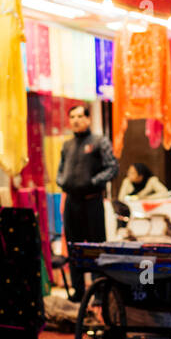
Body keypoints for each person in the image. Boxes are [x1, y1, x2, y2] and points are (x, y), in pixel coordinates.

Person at [57, 104, 118, 246]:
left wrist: (93, 182)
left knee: (96, 247)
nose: (75, 120)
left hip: (92, 201)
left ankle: (95, 269)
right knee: (73, 245)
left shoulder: (99, 141)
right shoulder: (67, 145)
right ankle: (75, 269)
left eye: (79, 116)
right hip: (71, 202)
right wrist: (62, 181)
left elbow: (113, 168)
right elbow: (60, 170)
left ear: (88, 119)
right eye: (72, 117)